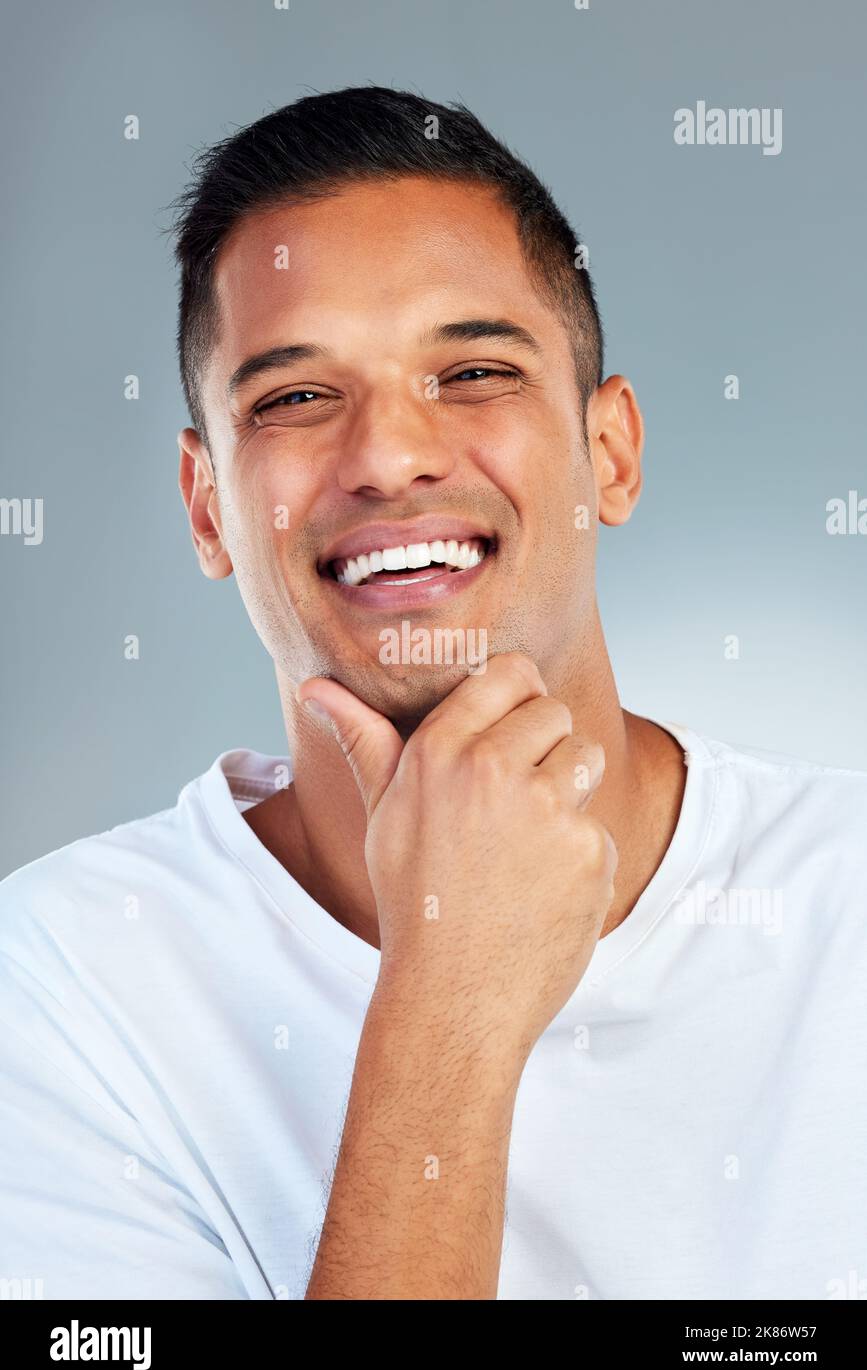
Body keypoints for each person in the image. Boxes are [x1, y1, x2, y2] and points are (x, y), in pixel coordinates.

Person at [1, 86, 865, 1302]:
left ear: (607, 453)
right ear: (208, 509)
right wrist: (451, 994)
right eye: (297, 397)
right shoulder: (55, 990)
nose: (391, 456)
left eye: (472, 370)